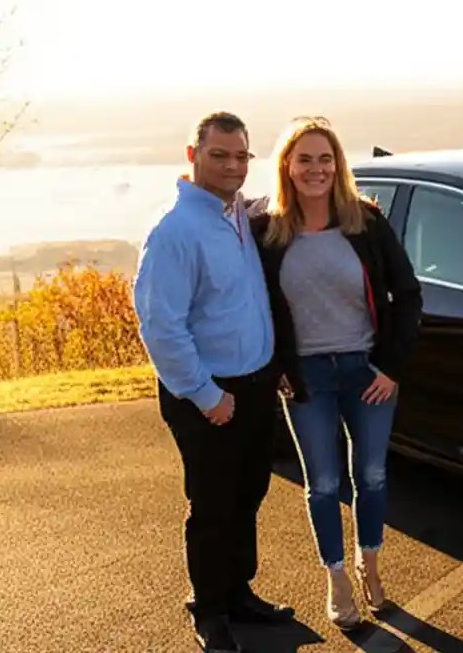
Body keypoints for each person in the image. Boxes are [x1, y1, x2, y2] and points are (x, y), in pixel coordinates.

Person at [250, 115, 422, 629]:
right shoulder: (267, 231)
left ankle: (371, 568)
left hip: (367, 371)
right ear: (287, 166)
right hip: (307, 378)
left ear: (338, 165)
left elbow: (408, 293)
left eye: (325, 158)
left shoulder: (365, 221)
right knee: (323, 483)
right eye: (304, 159)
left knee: (370, 475)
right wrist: (277, 366)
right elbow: (256, 305)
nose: (316, 169)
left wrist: (391, 367)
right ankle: (337, 579)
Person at [132, 111, 294, 653]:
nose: (231, 165)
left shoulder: (237, 216)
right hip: (207, 392)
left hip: (253, 385)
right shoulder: (176, 230)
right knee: (213, 503)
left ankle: (237, 590)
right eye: (218, 155)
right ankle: (210, 610)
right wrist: (207, 396)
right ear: (192, 156)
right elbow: (161, 327)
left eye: (241, 156)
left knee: (249, 493)